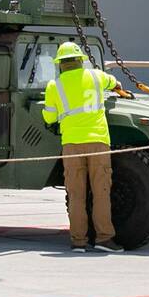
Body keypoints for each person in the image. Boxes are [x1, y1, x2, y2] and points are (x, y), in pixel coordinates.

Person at [41, 41, 124, 253]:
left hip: (71, 145)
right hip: (98, 142)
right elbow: (114, 82)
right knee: (101, 192)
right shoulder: (96, 76)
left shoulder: (54, 86)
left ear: (60, 64)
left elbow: (49, 117)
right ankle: (105, 239)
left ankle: (78, 241)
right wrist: (116, 86)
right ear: (80, 61)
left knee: (76, 195)